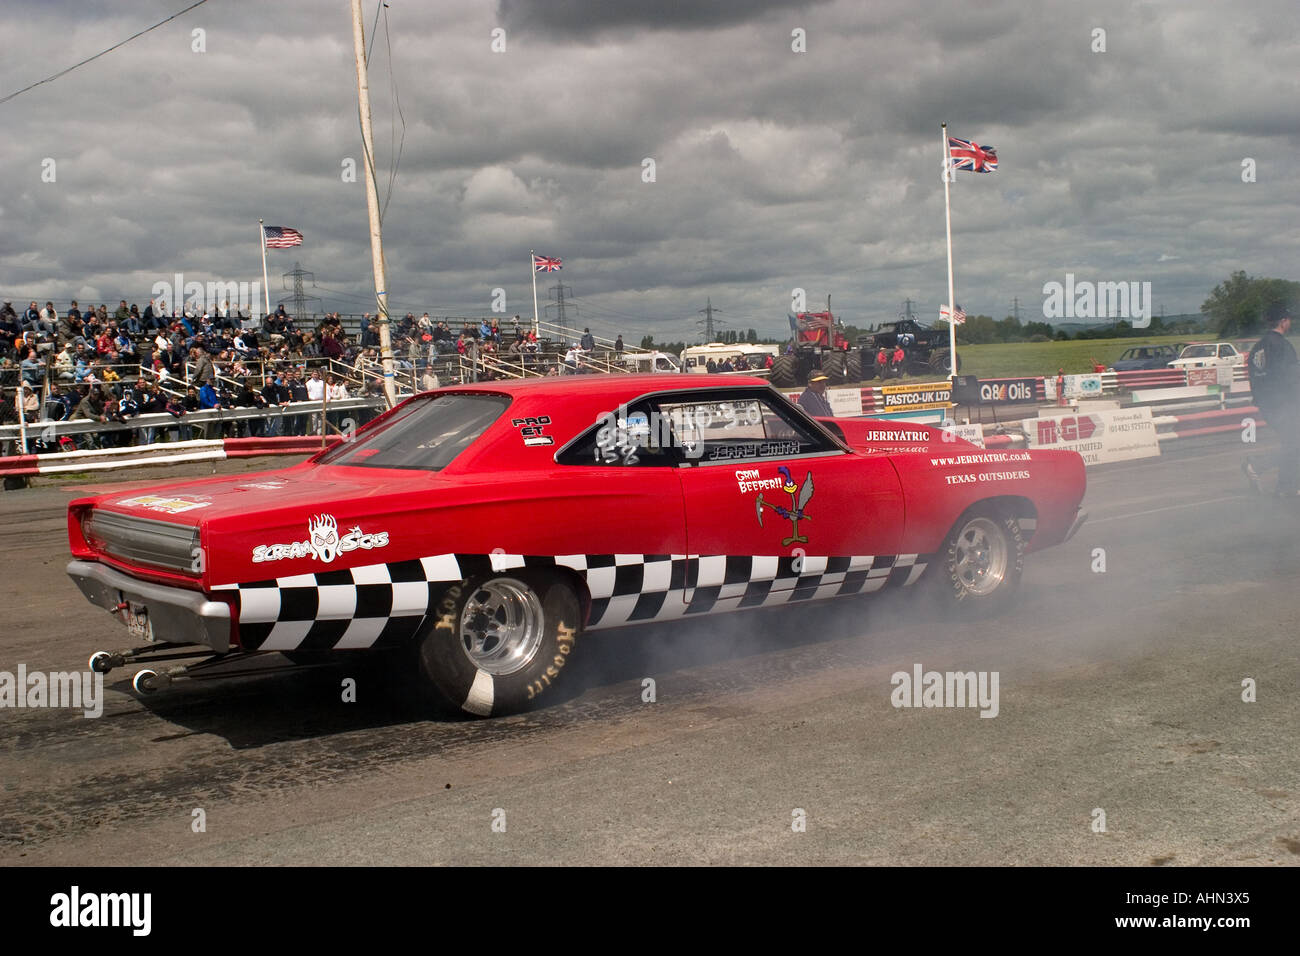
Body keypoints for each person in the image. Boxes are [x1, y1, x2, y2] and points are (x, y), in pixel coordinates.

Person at [1244, 309, 1299, 497]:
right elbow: (1293, 378)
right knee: (1295, 445)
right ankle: (1259, 465)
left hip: (1266, 404)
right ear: (1283, 321)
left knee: (1292, 444)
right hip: (1285, 403)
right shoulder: (1282, 346)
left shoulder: (1257, 348)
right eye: (1289, 320)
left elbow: (1254, 378)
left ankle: (1286, 487)